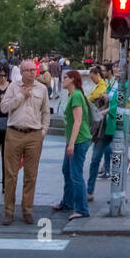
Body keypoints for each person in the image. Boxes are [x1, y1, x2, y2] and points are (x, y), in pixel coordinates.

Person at [0, 58, 51, 225]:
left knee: (31, 175)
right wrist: (21, 96)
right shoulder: (13, 87)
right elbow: (4, 108)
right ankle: (8, 211)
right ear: (21, 72)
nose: (32, 72)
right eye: (28, 70)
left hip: (34, 135)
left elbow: (45, 113)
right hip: (14, 132)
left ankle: (27, 210)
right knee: (11, 175)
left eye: (33, 70)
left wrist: (43, 131)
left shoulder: (42, 89)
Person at [54, 69, 91, 221]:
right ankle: (68, 202)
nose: (63, 80)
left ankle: (82, 209)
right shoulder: (72, 95)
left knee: (75, 175)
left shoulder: (76, 95)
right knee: (67, 171)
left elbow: (78, 121)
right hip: (73, 140)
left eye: (65, 78)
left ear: (72, 80)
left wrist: (71, 144)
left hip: (79, 140)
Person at [85, 66, 117, 203]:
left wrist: (106, 111)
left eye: (120, 66)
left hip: (116, 125)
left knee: (118, 161)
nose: (117, 69)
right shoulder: (111, 84)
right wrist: (105, 98)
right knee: (95, 159)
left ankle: (118, 192)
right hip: (104, 127)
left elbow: (123, 105)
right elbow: (109, 100)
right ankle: (89, 191)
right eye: (116, 67)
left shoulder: (125, 85)